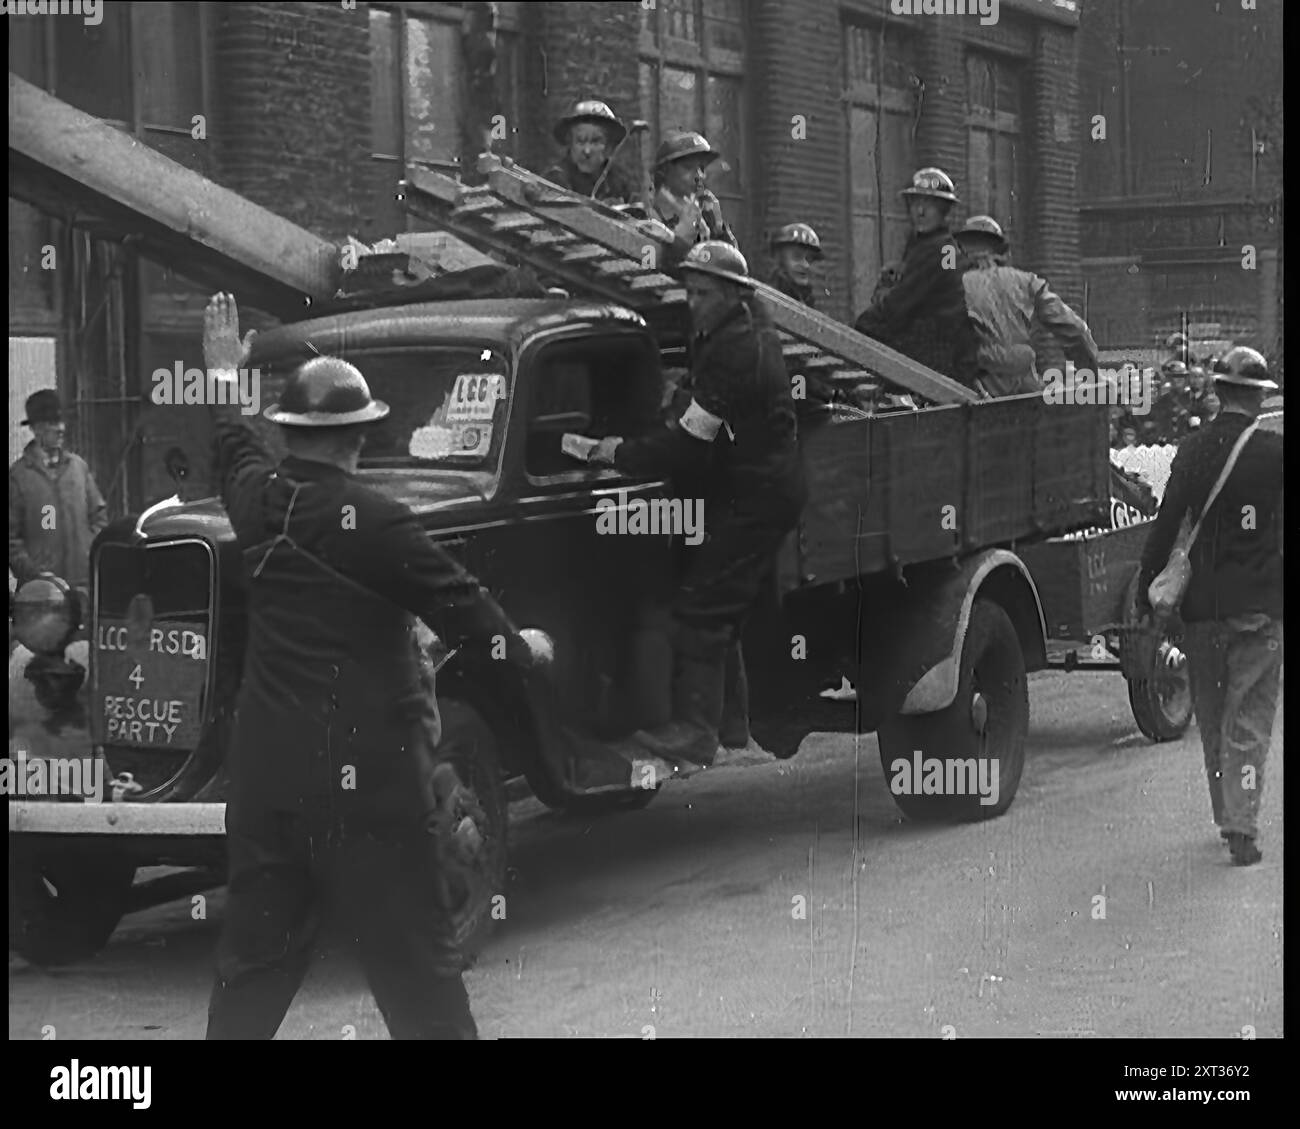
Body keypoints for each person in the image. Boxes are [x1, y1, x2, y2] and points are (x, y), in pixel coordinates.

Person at [200, 292, 531, 1039]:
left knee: (252, 974)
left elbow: (231, 442)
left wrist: (223, 373)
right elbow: (469, 612)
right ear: (359, 436)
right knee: (419, 980)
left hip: (269, 786)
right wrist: (526, 649)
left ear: (290, 434)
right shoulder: (381, 522)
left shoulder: (256, 502)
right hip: (371, 796)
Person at [587, 243, 806, 767]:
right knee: (721, 604)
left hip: (757, 495)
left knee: (702, 605)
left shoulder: (739, 348)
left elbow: (689, 442)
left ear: (732, 295)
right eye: (689, 291)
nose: (693, 302)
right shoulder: (732, 330)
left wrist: (621, 453)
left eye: (703, 293)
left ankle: (696, 732)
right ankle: (731, 722)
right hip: (746, 486)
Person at [1135, 347, 1283, 867]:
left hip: (1201, 611)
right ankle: (1241, 824)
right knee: (1250, 720)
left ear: (1220, 392)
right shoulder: (1273, 453)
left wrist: (1145, 593)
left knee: (1215, 714)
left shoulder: (1193, 450)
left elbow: (1166, 524)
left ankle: (1228, 815)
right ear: (1259, 398)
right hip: (1261, 609)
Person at [853, 167, 978, 387]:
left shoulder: (939, 249)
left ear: (944, 211)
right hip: (935, 353)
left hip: (939, 358)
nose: (920, 212)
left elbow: (896, 308)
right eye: (915, 204)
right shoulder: (925, 246)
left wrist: (859, 328)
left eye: (929, 206)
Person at [953, 215, 1098, 397]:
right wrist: (1092, 375)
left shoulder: (952, 289)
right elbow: (1075, 330)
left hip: (978, 391)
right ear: (999, 249)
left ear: (963, 249)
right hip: (1026, 389)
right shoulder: (1028, 282)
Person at [9, 389, 108, 592]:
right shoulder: (18, 477)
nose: (61, 429)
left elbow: (99, 516)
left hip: (83, 587)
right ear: (36, 429)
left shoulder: (78, 468)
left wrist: (89, 553)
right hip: (39, 595)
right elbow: (11, 539)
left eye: (62, 422)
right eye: (52, 424)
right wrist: (33, 574)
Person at [648, 130, 737, 261]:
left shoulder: (705, 213)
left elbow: (732, 264)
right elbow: (646, 265)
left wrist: (719, 229)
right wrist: (680, 237)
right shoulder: (647, 215)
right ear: (665, 171)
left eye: (701, 168)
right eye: (688, 167)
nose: (698, 175)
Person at [542, 99, 638, 204]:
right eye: (580, 141)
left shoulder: (620, 181)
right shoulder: (555, 179)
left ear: (609, 147)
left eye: (596, 142)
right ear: (570, 143)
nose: (587, 151)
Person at [768, 223, 825, 307]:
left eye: (810, 259)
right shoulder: (768, 299)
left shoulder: (806, 298)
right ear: (779, 259)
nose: (806, 265)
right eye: (797, 256)